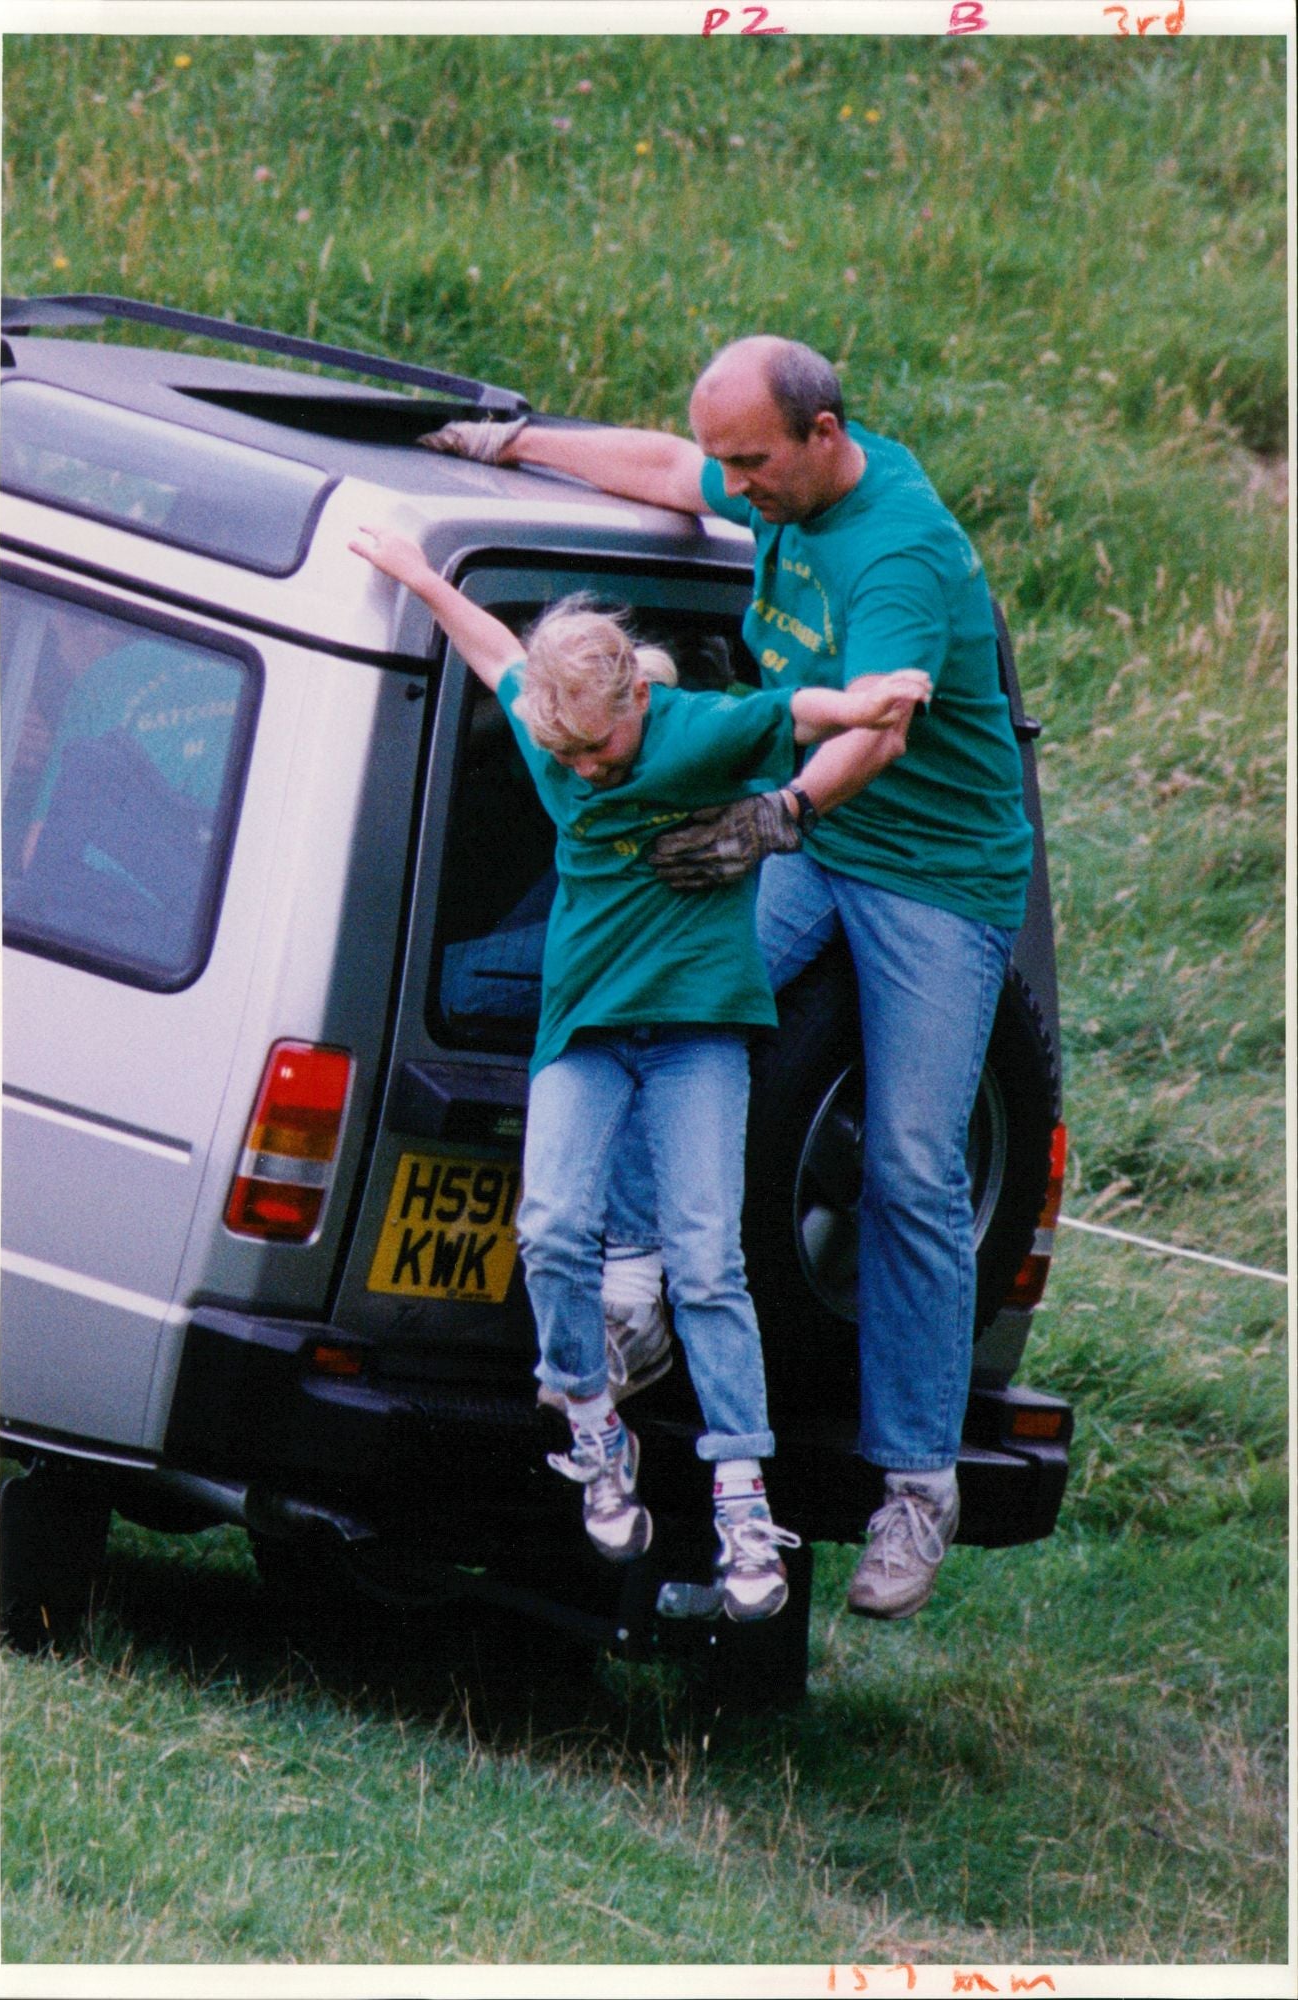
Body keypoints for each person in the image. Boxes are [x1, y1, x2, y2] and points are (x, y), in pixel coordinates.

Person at [421, 334, 1034, 1620]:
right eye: (729, 460)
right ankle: (635, 1291)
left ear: (821, 436)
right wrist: (508, 442)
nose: (733, 483)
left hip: (930, 872)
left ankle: (916, 1486)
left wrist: (772, 822)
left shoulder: (898, 549)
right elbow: (658, 464)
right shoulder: (773, 481)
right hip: (819, 833)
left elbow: (882, 720)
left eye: (752, 461)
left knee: (912, 1162)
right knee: (674, 985)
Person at [350, 520, 930, 1623]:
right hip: (586, 1024)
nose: (579, 771)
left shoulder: (698, 731)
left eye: (595, 752)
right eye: (561, 754)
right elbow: (493, 651)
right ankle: (589, 1419)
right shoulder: (555, 728)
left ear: (631, 703)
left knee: (707, 1262)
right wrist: (422, 577)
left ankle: (743, 1499)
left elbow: (811, 715)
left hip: (699, 1029)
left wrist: (875, 702)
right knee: (552, 1228)